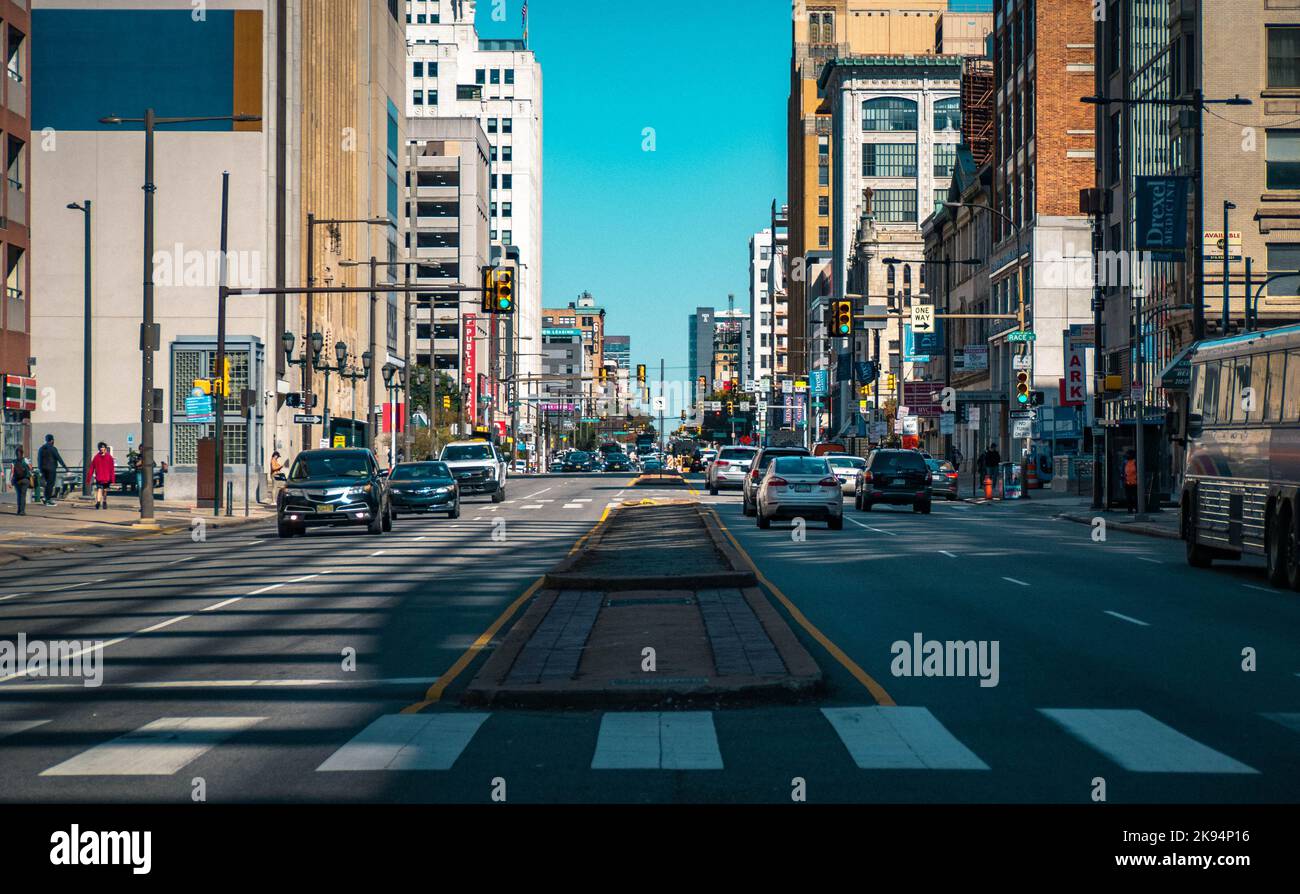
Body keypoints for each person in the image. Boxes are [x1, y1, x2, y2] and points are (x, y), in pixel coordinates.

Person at [36, 434, 69, 506]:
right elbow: (59, 458)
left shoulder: (41, 448)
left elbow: (38, 459)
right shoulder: (53, 448)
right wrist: (66, 468)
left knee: (47, 484)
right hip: (51, 469)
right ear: (52, 440)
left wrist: (40, 468)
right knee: (51, 484)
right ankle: (48, 499)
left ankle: (45, 498)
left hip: (43, 469)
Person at [87, 442, 116, 510]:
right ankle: (98, 502)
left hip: (107, 477)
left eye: (103, 447)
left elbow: (112, 469)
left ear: (105, 448)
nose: (102, 449)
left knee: (105, 490)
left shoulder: (109, 457)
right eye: (100, 447)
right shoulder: (96, 457)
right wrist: (89, 478)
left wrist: (113, 479)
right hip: (99, 477)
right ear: (99, 449)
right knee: (99, 489)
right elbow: (92, 467)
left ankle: (104, 501)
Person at [9, 446, 32, 515]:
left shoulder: (13, 461)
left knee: (19, 495)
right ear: (22, 453)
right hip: (25, 479)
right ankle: (22, 511)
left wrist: (10, 481)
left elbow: (12, 472)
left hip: (16, 480)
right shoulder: (25, 460)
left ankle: (18, 511)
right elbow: (30, 468)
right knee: (23, 495)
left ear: (16, 454)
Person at [1124, 449, 1139, 514]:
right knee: (1129, 497)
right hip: (1128, 483)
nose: (1128, 456)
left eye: (1129, 454)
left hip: (1135, 483)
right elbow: (1123, 472)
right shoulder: (1125, 462)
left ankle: (1136, 509)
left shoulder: (1135, 462)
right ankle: (1130, 510)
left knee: (1135, 497)